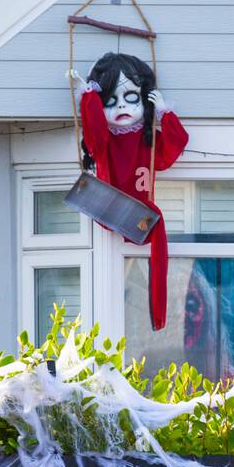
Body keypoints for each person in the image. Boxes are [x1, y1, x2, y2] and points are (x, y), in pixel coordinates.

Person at [73, 52, 188, 330]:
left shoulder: (147, 139)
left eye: (131, 97)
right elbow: (95, 137)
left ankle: (158, 317)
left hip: (141, 211)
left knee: (158, 248)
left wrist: (164, 112)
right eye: (111, 101)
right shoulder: (105, 140)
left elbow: (174, 147)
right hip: (111, 205)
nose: (121, 107)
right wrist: (89, 98)